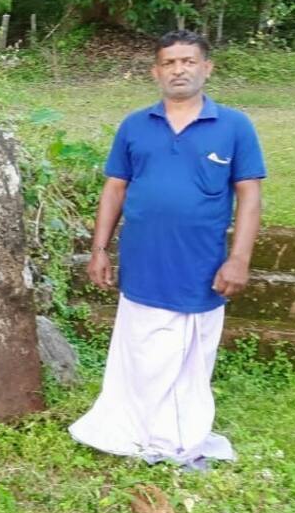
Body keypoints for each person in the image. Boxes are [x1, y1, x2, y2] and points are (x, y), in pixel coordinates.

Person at [69, 30, 266, 470]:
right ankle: (134, 429)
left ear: (207, 68)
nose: (179, 69)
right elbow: (115, 188)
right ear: (156, 71)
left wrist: (240, 258)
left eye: (189, 61)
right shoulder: (135, 126)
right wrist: (99, 249)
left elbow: (249, 196)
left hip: (202, 264)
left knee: (192, 353)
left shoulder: (234, 127)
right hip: (143, 260)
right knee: (140, 348)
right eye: (170, 62)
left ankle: (182, 436)